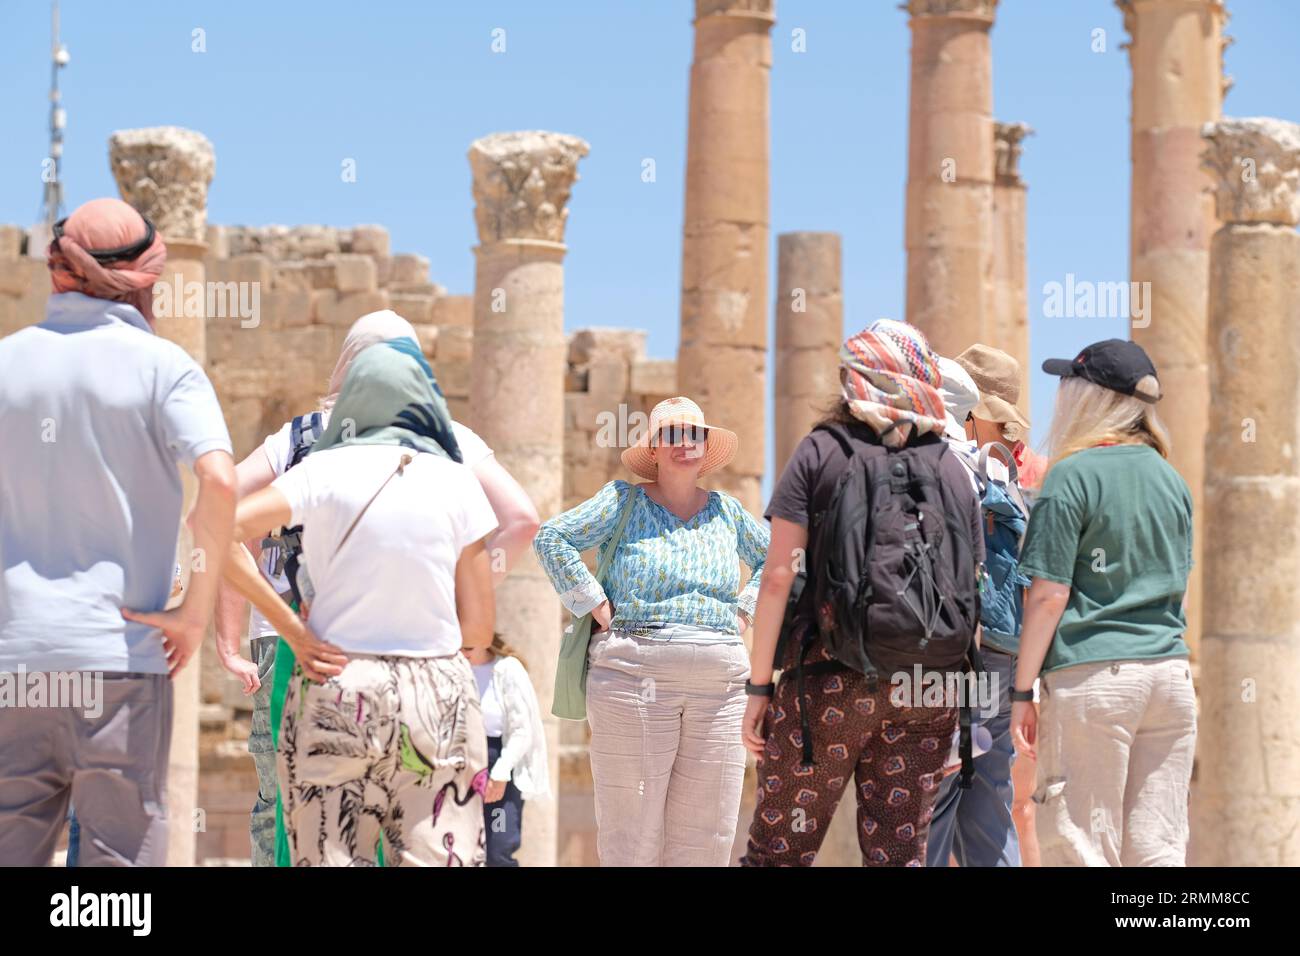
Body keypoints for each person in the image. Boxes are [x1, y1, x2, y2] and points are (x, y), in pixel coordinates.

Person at [213, 309, 538, 866]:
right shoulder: (455, 465)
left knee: (313, 835)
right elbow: (500, 576)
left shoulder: (314, 454)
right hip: (436, 682)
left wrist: (272, 626)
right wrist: (441, 600)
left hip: (326, 666)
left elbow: (218, 524)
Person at [0, 198, 236, 866]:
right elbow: (219, 481)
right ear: (147, 278)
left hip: (15, 662)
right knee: (116, 880)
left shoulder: (6, 362)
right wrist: (193, 614)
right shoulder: (165, 369)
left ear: (56, 271)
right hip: (115, 659)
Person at [741, 320, 984, 867]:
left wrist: (759, 688)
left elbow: (778, 575)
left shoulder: (821, 451)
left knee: (778, 854)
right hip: (927, 688)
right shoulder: (950, 467)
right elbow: (971, 589)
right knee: (899, 857)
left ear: (854, 378)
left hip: (827, 683)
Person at [534, 396, 768, 866]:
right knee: (631, 837)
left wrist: (743, 612)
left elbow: (780, 561)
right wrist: (596, 606)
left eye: (695, 435)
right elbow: (550, 537)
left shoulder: (728, 511)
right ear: (654, 449)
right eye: (673, 435)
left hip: (720, 685)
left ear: (706, 448)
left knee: (708, 838)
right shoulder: (622, 499)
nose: (686, 444)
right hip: (634, 675)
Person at [1010, 339, 1195, 867]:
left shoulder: (1071, 475)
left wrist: (1024, 691)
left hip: (1095, 680)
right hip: (1170, 677)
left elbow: (1048, 595)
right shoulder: (1172, 481)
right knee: (1158, 851)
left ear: (1090, 399)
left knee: (1082, 847)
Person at [927, 350, 1032, 867]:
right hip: (1005, 652)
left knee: (934, 800)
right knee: (992, 801)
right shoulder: (1003, 470)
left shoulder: (943, 463)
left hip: (956, 654)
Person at [460, 634, 550, 867]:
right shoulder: (450, 668)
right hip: (460, 765)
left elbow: (522, 729)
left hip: (498, 765)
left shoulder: (507, 669)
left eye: (468, 644)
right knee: (458, 850)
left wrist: (500, 774)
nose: (463, 651)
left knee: (498, 848)